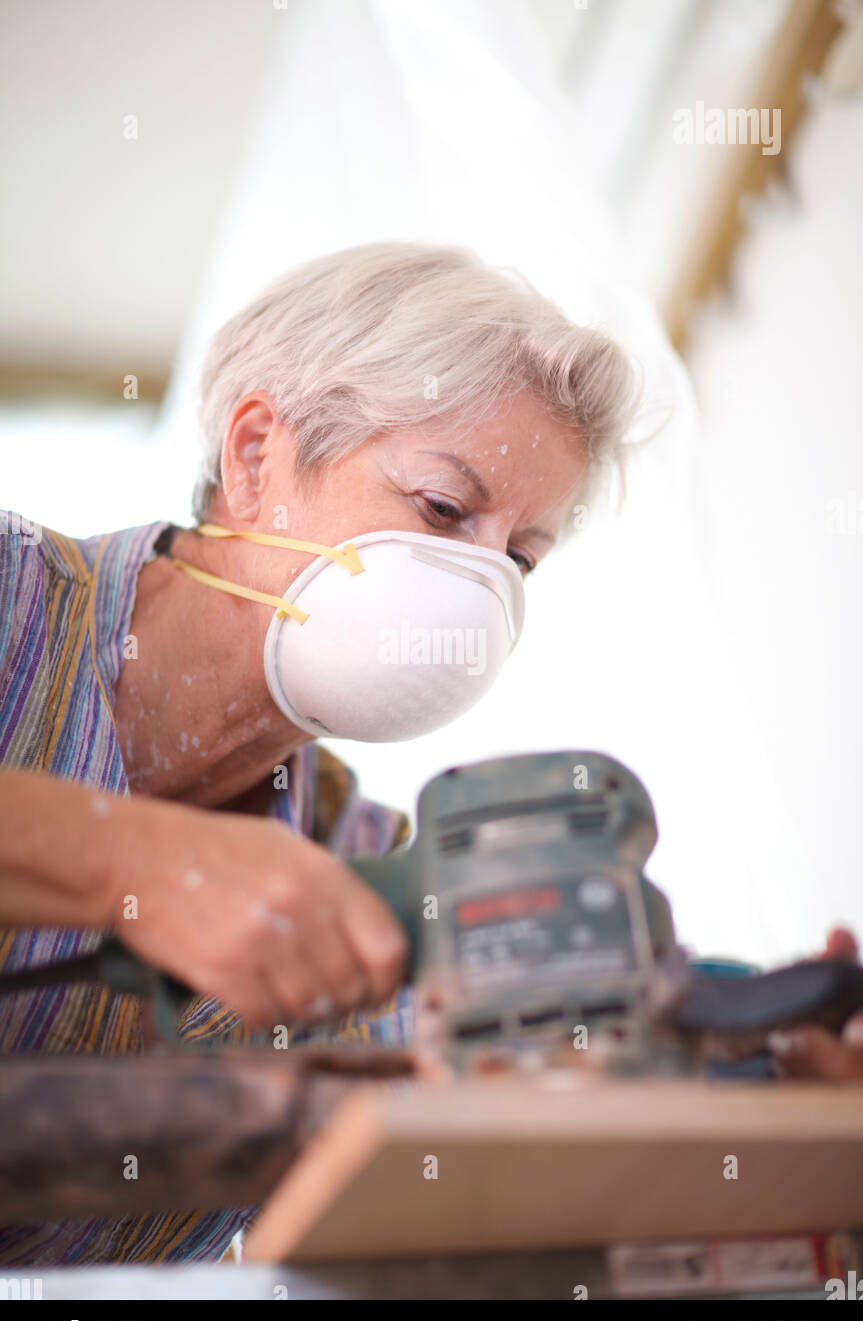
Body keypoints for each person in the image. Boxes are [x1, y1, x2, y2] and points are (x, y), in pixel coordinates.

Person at [0, 242, 640, 1262]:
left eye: (519, 557)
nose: (475, 591)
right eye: (440, 508)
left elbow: (565, 1061)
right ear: (258, 458)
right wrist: (131, 862)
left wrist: (768, 1054)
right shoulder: (11, 598)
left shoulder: (364, 876)